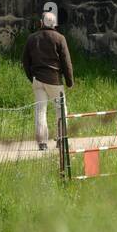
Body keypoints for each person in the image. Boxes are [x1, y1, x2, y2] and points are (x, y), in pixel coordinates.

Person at [21, 10, 74, 150]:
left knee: (40, 111)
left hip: (38, 79)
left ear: (41, 22)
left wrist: (31, 77)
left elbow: (25, 61)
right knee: (60, 110)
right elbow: (66, 62)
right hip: (55, 80)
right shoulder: (60, 38)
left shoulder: (32, 38)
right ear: (54, 24)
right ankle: (61, 140)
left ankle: (42, 143)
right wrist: (69, 81)